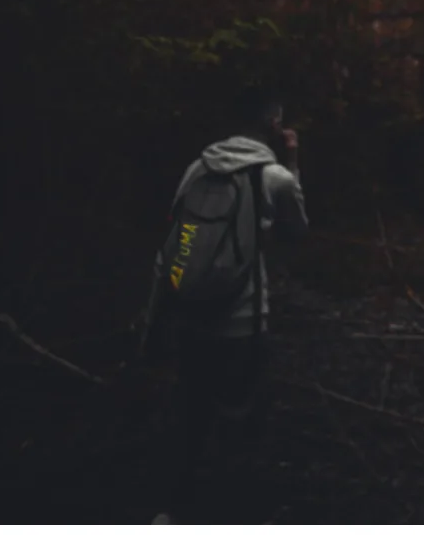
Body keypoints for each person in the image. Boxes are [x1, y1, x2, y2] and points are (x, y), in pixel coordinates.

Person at [144, 85, 308, 523]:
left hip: (191, 319)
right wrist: (293, 160)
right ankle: (231, 512)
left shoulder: (196, 169)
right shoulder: (274, 177)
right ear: (273, 124)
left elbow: (176, 246)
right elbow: (297, 230)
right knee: (241, 423)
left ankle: (177, 510)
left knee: (190, 418)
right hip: (244, 323)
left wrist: (158, 317)